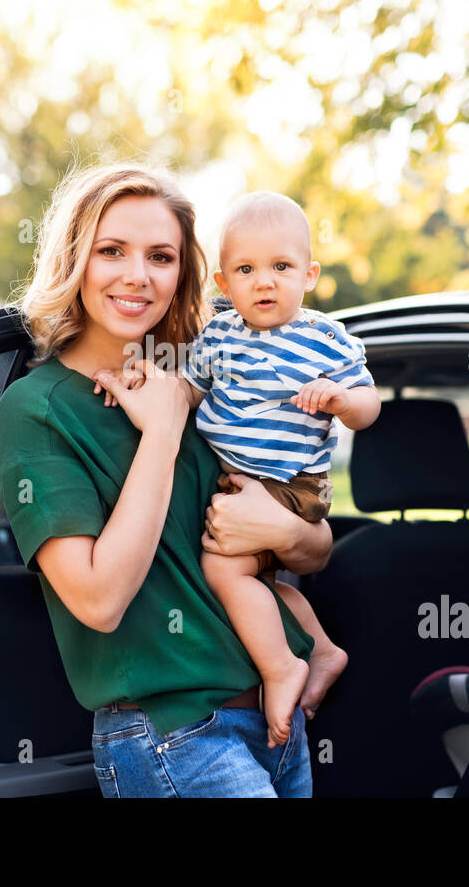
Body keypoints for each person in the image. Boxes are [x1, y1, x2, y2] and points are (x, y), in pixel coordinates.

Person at [0, 163, 334, 797]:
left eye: (162, 256)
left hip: (277, 722)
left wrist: (282, 526)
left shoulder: (205, 382)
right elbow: (98, 598)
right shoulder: (38, 410)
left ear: (183, 275)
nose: (137, 276)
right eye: (111, 251)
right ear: (75, 260)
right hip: (174, 737)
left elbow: (313, 547)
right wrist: (164, 430)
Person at [176, 191, 380, 748]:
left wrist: (339, 398)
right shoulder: (218, 337)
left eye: (281, 267)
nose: (264, 282)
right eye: (246, 269)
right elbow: (186, 392)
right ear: (223, 283)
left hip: (291, 485)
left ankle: (281, 670)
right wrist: (138, 383)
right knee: (253, 583)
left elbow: (369, 407)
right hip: (236, 478)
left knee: (224, 573)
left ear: (309, 274)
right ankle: (321, 649)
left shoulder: (324, 339)